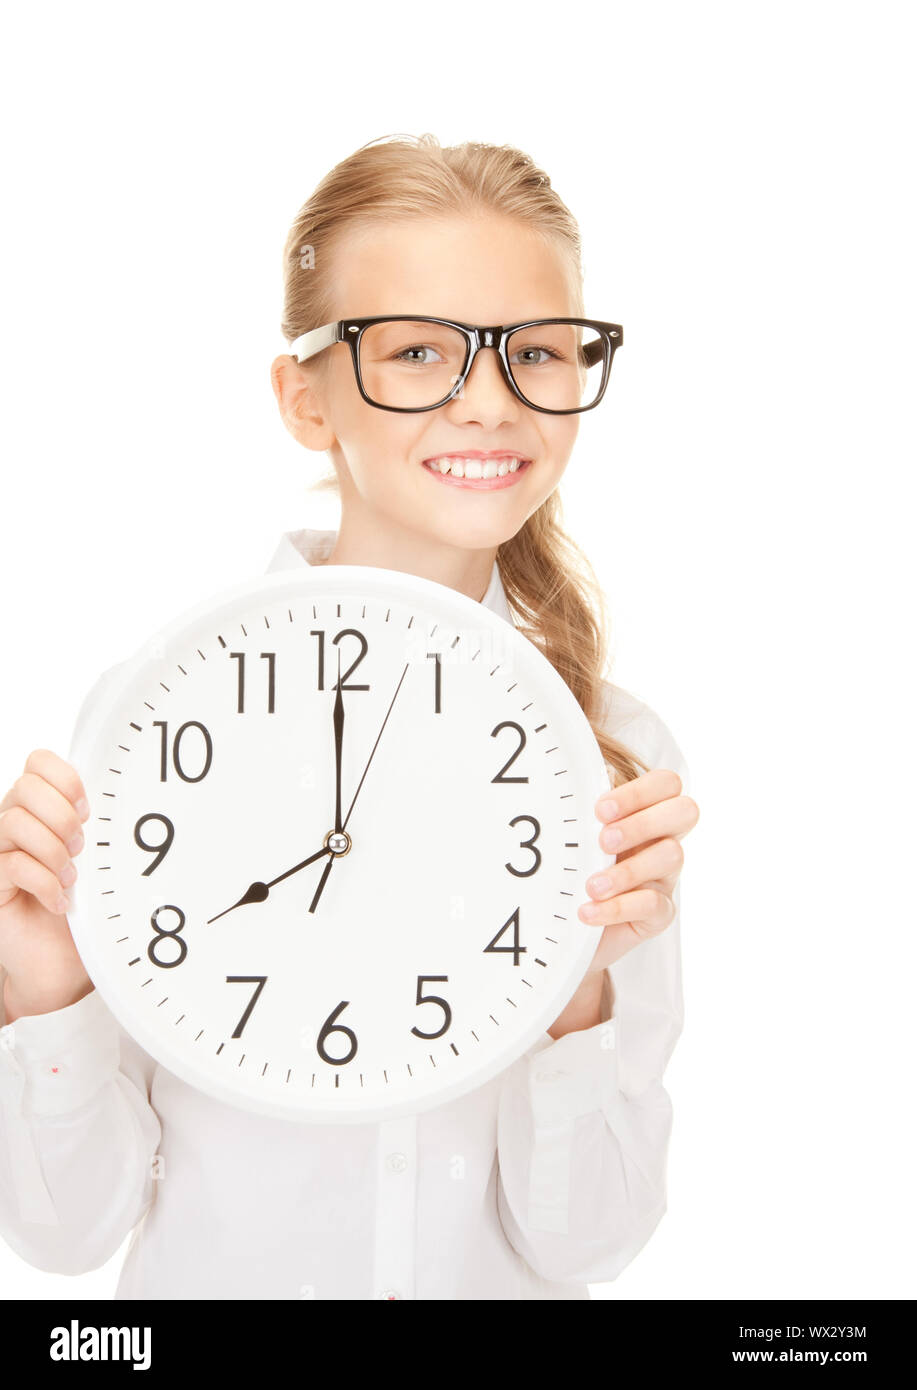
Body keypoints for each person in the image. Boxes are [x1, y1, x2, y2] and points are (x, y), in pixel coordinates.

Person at [0, 133, 699, 1300]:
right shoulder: (156, 718)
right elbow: (66, 1236)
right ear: (304, 397)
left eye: (534, 351)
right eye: (419, 352)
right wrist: (47, 988)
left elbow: (587, 1247)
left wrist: (575, 990)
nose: (488, 402)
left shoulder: (612, 757)